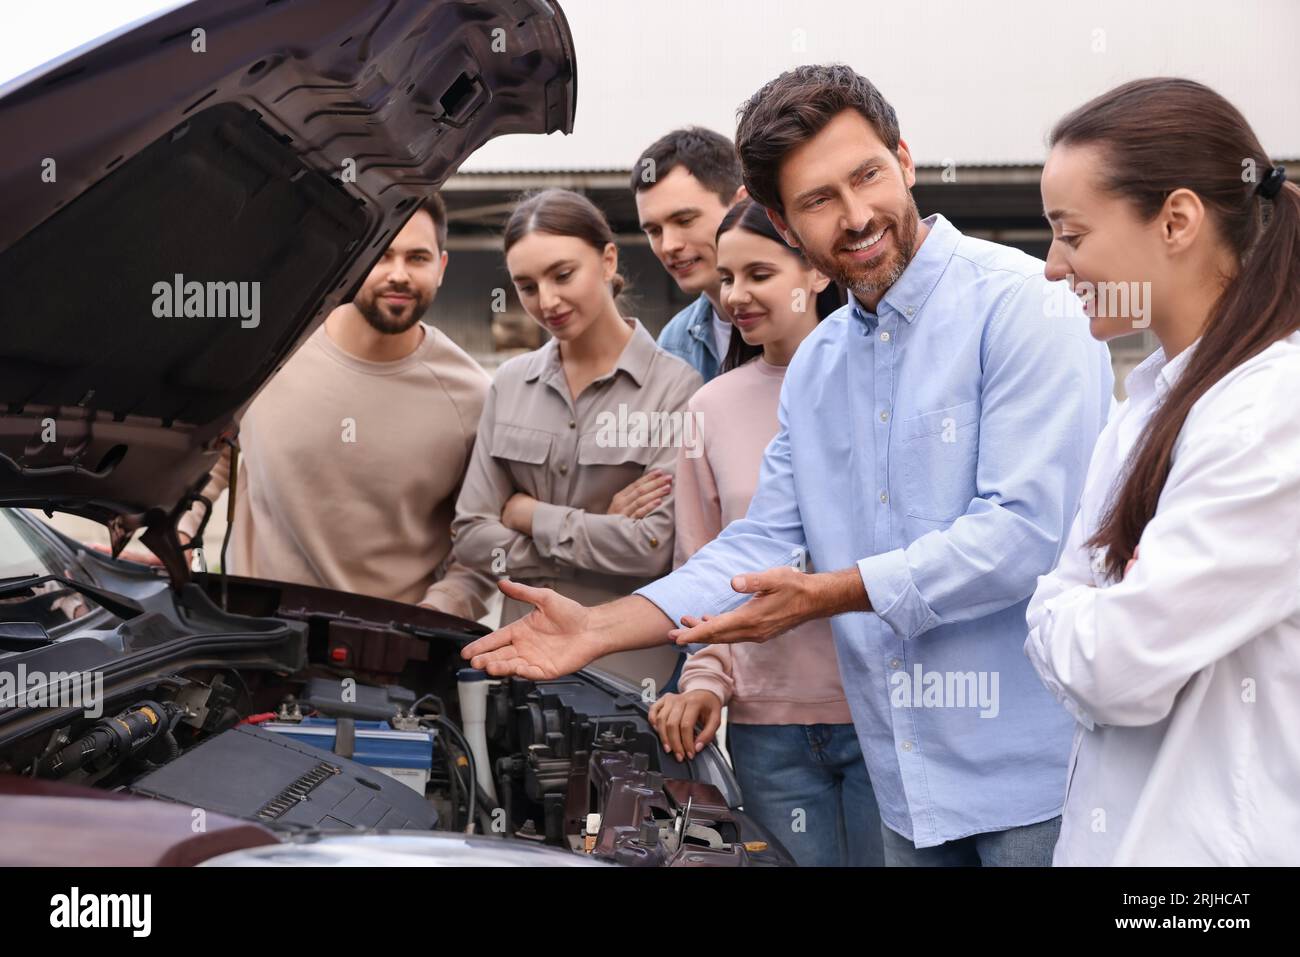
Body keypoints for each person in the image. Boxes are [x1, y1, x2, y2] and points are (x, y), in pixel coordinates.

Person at [463, 65, 1114, 867]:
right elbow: (757, 543)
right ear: (782, 219)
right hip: (905, 788)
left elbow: (1022, 533)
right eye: (817, 200)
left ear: (905, 160)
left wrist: (826, 595)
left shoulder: (1023, 305)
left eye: (868, 175)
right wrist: (601, 626)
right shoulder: (819, 368)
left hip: (1037, 784)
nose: (856, 215)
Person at [1025, 78, 1300, 866]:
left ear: (1177, 220)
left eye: (1070, 234)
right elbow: (1092, 628)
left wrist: (1068, 600)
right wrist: (1085, 601)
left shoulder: (1269, 412)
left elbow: (1114, 668)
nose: (1053, 266)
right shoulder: (1149, 399)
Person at [649, 197, 881, 866]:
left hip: (879, 717)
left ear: (814, 272)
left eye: (758, 274)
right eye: (726, 279)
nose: (734, 296)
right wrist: (703, 683)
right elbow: (703, 569)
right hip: (767, 731)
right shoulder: (708, 408)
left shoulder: (881, 387)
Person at [177, 194, 496, 619]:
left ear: (441, 267)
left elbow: (479, 550)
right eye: (382, 255)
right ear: (354, 259)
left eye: (417, 258)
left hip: (384, 656)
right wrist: (179, 530)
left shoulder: (474, 397)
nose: (398, 275)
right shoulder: (267, 349)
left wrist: (429, 619)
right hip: (251, 638)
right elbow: (214, 457)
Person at [450, 189, 701, 689]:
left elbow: (654, 548)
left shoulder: (677, 389)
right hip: (519, 670)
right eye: (526, 285)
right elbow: (472, 538)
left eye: (563, 275)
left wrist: (529, 516)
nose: (547, 301)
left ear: (608, 260)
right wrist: (597, 527)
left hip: (629, 680)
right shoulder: (509, 384)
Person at [633, 128, 745, 383]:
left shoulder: (820, 321)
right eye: (654, 231)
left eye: (684, 220)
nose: (668, 246)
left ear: (741, 204)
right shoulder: (672, 343)